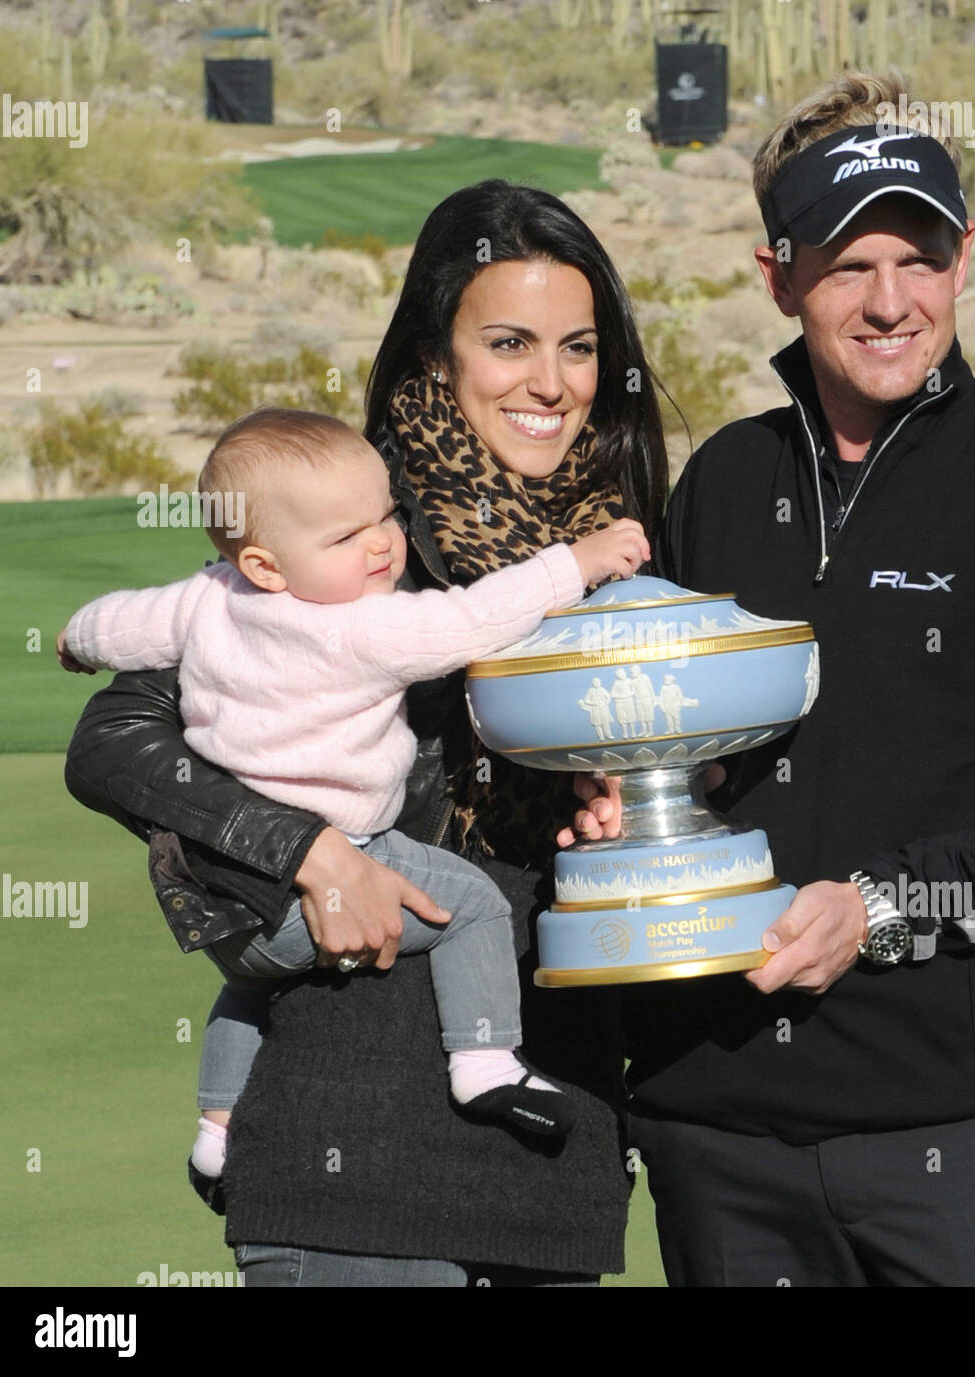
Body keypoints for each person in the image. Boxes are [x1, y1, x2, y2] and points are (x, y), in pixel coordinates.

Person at [566, 74, 975, 1286]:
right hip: (717, 1130)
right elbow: (675, 754)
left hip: (970, 1136)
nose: (891, 301)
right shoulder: (722, 483)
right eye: (850, 265)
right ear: (779, 275)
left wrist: (882, 905)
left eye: (922, 256)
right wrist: (620, 805)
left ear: (964, 263)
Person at [64, 180, 669, 1286]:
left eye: (578, 348)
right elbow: (112, 744)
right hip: (355, 1142)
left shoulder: (619, 547)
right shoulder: (340, 528)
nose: (550, 381)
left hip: (556, 1127)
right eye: (507, 342)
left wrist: (624, 807)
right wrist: (310, 851)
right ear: (436, 355)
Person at [57, 407, 649, 1178]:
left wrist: (74, 638)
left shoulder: (206, 598)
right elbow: (475, 618)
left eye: (387, 516)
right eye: (345, 537)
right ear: (267, 565)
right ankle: (485, 1061)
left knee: (252, 983)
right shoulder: (366, 628)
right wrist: (577, 561)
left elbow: (122, 623)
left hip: (226, 894)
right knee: (475, 907)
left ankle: (216, 1127)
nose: (381, 542)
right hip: (343, 859)